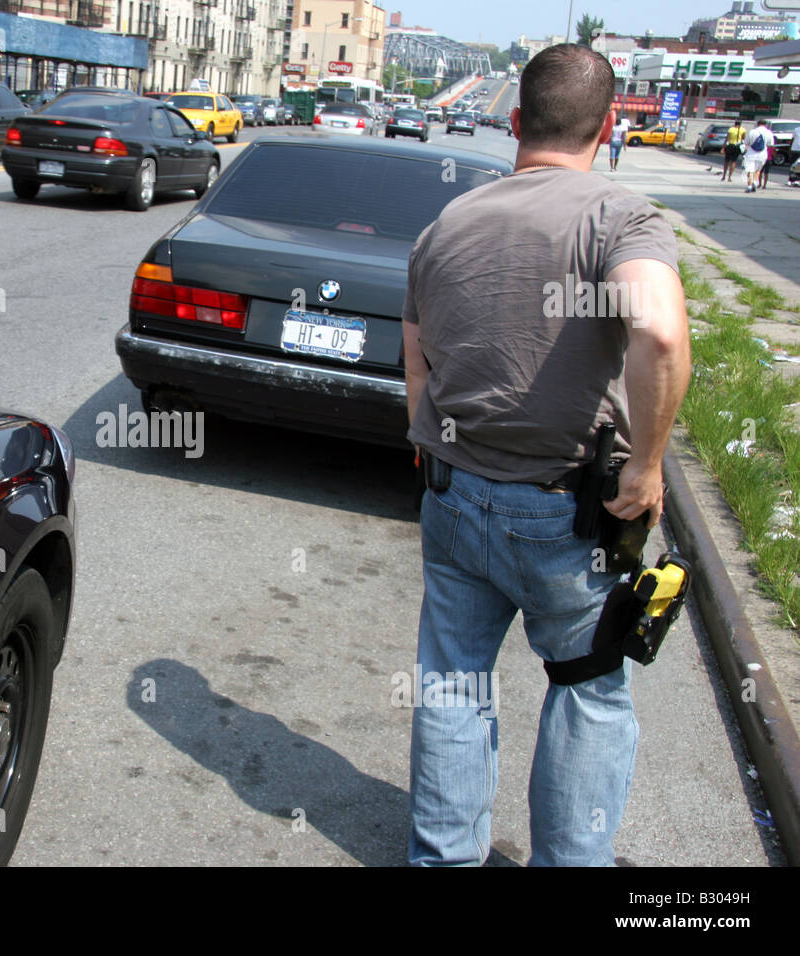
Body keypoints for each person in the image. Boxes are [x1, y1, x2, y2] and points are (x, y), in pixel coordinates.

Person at [402, 43, 690, 866]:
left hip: (455, 496)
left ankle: (443, 857)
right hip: (565, 514)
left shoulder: (447, 224)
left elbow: (416, 370)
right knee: (588, 692)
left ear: (517, 121)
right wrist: (644, 466)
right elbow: (662, 332)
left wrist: (436, 459)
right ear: (607, 129)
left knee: (452, 684)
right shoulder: (619, 218)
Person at [742, 120, 774, 193]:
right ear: (765, 125)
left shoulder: (752, 131)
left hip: (751, 154)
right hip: (762, 155)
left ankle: (749, 186)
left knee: (750, 170)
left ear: (757, 124)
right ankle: (755, 184)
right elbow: (770, 144)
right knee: (757, 170)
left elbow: (746, 143)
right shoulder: (769, 132)